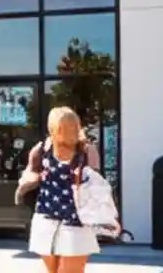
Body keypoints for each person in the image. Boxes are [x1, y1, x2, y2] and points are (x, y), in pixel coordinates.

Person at [25, 107, 100, 273]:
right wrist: (33, 178)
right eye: (65, 127)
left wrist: (84, 179)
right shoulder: (42, 149)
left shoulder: (86, 151)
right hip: (46, 219)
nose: (72, 130)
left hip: (77, 221)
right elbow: (29, 173)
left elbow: (97, 182)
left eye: (74, 125)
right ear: (54, 129)